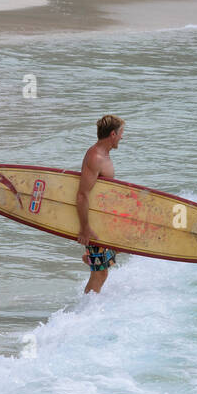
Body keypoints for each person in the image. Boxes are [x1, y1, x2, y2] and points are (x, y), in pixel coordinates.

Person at [76, 114, 124, 293]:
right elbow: (82, 194)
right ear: (112, 134)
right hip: (93, 221)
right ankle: (84, 315)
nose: (122, 137)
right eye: (120, 133)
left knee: (123, 245)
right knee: (100, 274)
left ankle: (90, 256)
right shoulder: (96, 158)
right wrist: (85, 228)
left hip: (103, 218)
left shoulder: (104, 154)